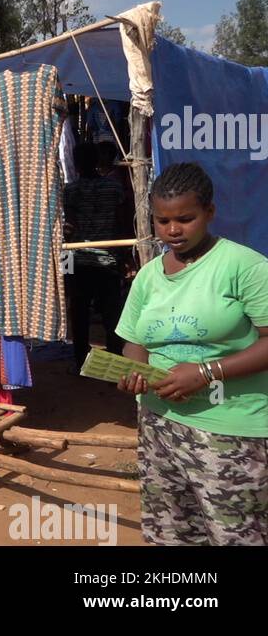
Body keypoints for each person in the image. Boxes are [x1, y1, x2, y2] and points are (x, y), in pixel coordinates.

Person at [115, 162, 268, 545]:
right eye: (162, 221)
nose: (173, 230)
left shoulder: (244, 267)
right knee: (172, 532)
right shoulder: (149, 276)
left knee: (236, 535)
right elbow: (135, 340)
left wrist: (206, 371)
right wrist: (135, 371)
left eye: (185, 218)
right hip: (159, 424)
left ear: (210, 213)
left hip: (230, 432)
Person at [63, 142, 131, 370]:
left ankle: (81, 363)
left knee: (79, 313)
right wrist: (124, 254)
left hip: (78, 260)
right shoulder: (113, 188)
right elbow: (122, 222)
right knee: (111, 314)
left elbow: (68, 228)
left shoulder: (70, 191)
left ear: (78, 164)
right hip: (108, 259)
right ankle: (114, 363)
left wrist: (64, 267)